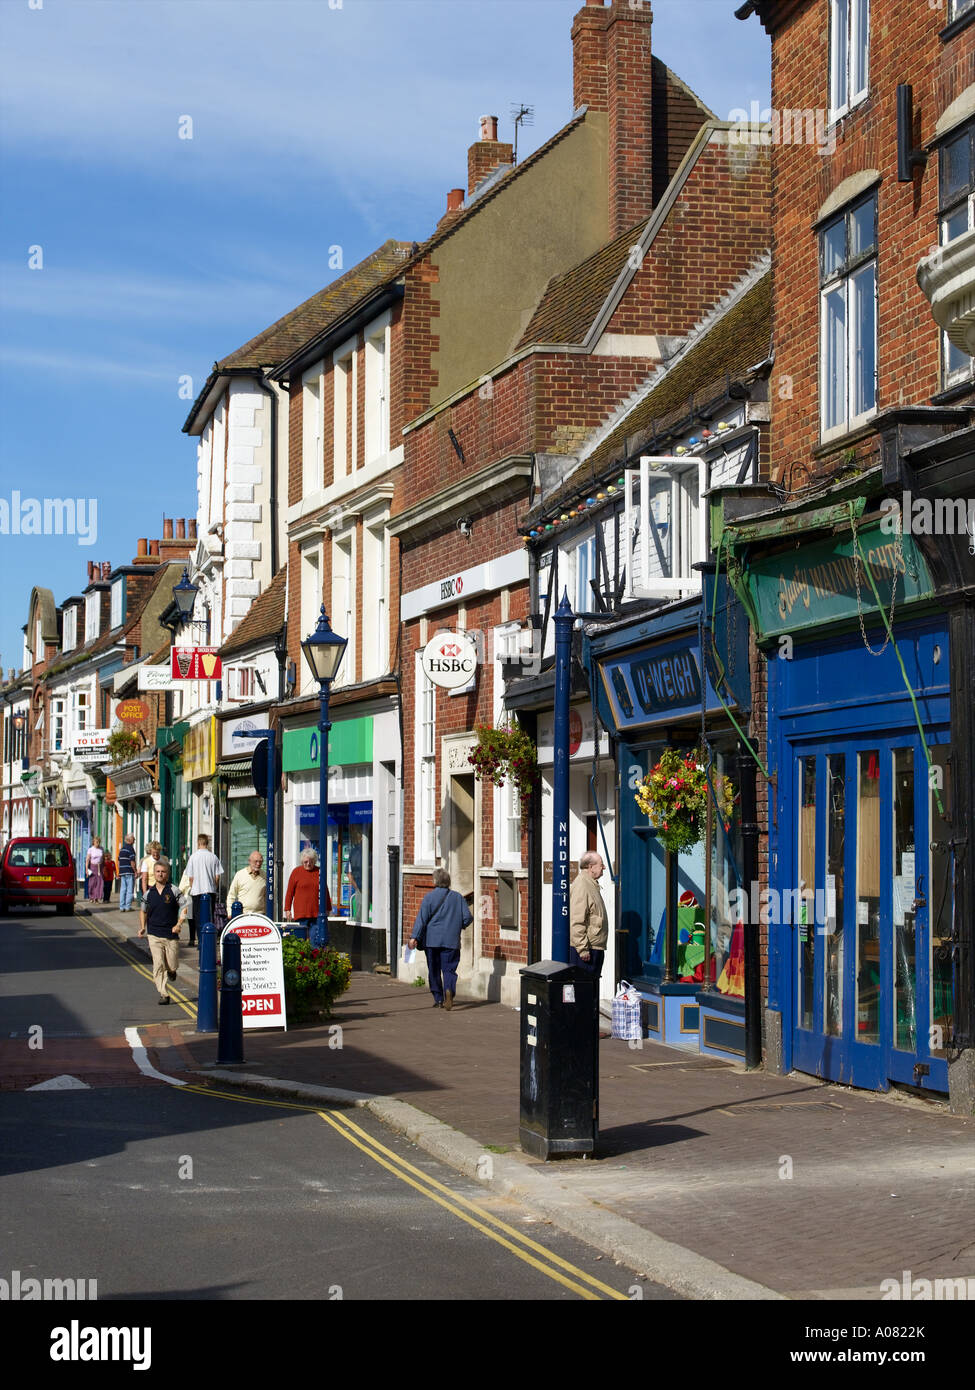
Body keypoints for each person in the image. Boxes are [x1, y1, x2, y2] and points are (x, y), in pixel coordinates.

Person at [408, 868, 472, 1010]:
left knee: (434, 969)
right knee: (449, 969)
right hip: (451, 941)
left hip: (432, 941)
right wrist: (458, 926)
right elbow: (468, 917)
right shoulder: (458, 897)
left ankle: (438, 999)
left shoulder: (429, 898)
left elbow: (421, 920)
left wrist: (414, 937)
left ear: (435, 881)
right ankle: (449, 990)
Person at [138, 859, 187, 1006]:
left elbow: (184, 907)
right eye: (158, 871)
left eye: (163, 871)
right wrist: (142, 927)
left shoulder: (174, 890)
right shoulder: (148, 894)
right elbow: (143, 911)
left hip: (171, 934)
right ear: (154, 873)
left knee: (171, 965)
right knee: (158, 964)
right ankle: (163, 993)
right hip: (153, 934)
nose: (160, 874)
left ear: (168, 873)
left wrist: (179, 924)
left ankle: (172, 971)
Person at [569, 851, 608, 982]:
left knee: (591, 990)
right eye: (601, 864)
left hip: (594, 947)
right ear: (591, 867)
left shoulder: (590, 883)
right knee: (584, 990)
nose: (604, 867)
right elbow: (576, 920)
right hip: (587, 951)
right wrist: (582, 949)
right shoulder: (582, 885)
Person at [183, 833, 224, 948]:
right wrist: (213, 887)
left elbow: (190, 878)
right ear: (207, 843)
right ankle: (208, 942)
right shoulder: (213, 857)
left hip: (197, 891)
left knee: (197, 917)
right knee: (209, 916)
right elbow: (217, 877)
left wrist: (194, 886)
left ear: (198, 843)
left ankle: (201, 942)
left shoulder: (193, 857)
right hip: (210, 891)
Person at [284, 848, 331, 940]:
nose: (308, 864)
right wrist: (287, 909)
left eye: (311, 861)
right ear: (302, 861)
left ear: (315, 861)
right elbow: (290, 892)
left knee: (315, 940)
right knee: (301, 939)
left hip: (316, 913)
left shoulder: (319, 871)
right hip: (301, 913)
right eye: (306, 862)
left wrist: (328, 908)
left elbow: (325, 891)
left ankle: (314, 954)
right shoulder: (296, 872)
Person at [226, 851, 268, 916]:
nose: (258, 864)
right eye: (256, 861)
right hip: (242, 914)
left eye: (260, 861)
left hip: (260, 915)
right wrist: (230, 912)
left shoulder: (265, 876)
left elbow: (267, 897)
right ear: (250, 861)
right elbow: (231, 895)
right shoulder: (240, 875)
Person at [117, 833, 138, 912]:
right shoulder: (131, 849)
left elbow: (119, 861)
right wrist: (135, 871)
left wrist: (119, 871)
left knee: (123, 889)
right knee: (129, 890)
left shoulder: (122, 849)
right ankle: (127, 907)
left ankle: (121, 907)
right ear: (130, 840)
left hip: (122, 872)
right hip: (129, 871)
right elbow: (132, 862)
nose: (134, 840)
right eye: (133, 839)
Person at [85, 837, 104, 903]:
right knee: (92, 883)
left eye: (99, 842)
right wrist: (86, 869)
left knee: (100, 882)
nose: (98, 844)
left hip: (100, 867)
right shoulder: (90, 849)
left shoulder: (101, 849)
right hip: (93, 866)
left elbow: (103, 858)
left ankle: (97, 897)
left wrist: (103, 867)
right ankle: (91, 897)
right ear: (93, 842)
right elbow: (87, 860)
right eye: (96, 842)